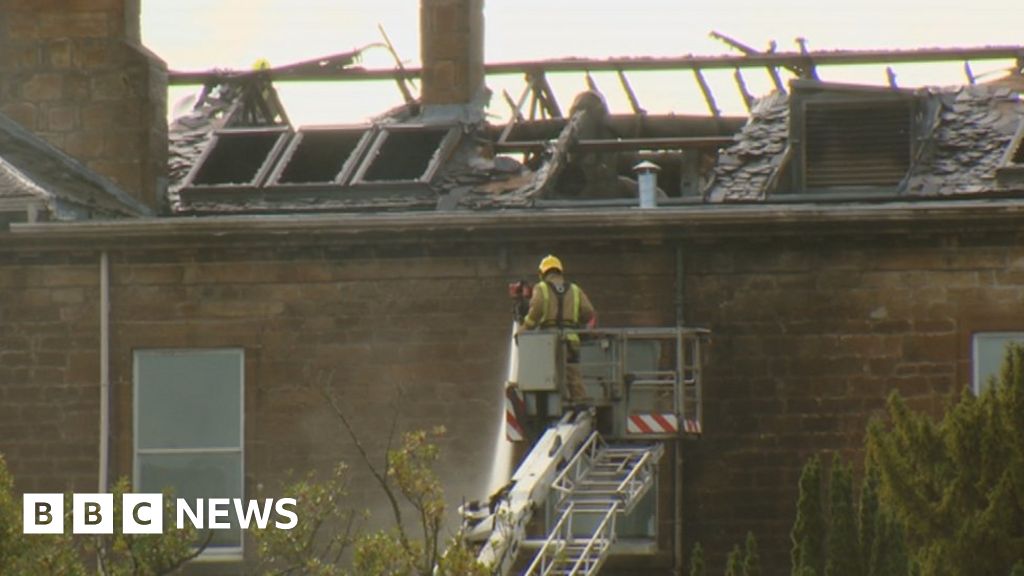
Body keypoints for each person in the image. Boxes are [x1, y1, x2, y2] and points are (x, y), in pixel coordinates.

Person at [520, 255, 596, 404]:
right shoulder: (574, 289)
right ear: (560, 271)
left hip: (549, 340)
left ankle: (548, 403)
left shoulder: (541, 288)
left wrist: (523, 329)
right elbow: (588, 312)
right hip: (571, 339)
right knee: (573, 374)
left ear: (542, 273)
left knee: (546, 376)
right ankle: (580, 404)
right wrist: (574, 321)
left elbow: (535, 313)